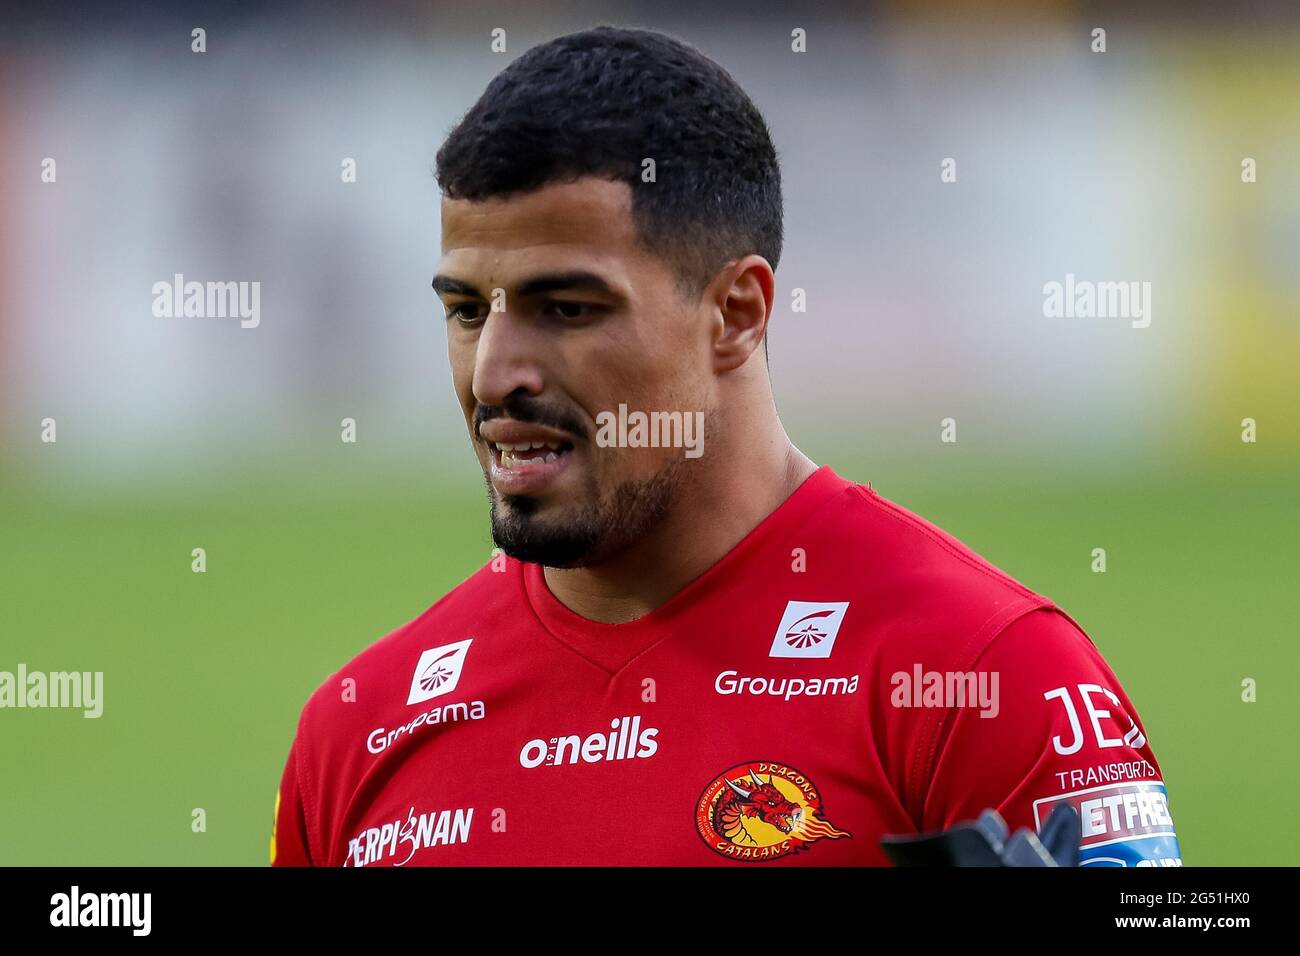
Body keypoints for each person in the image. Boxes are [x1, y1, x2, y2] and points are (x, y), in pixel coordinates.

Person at [271, 25, 1181, 867]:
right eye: (467, 311)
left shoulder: (985, 676)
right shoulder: (358, 733)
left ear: (736, 314)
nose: (494, 373)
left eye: (568, 309)